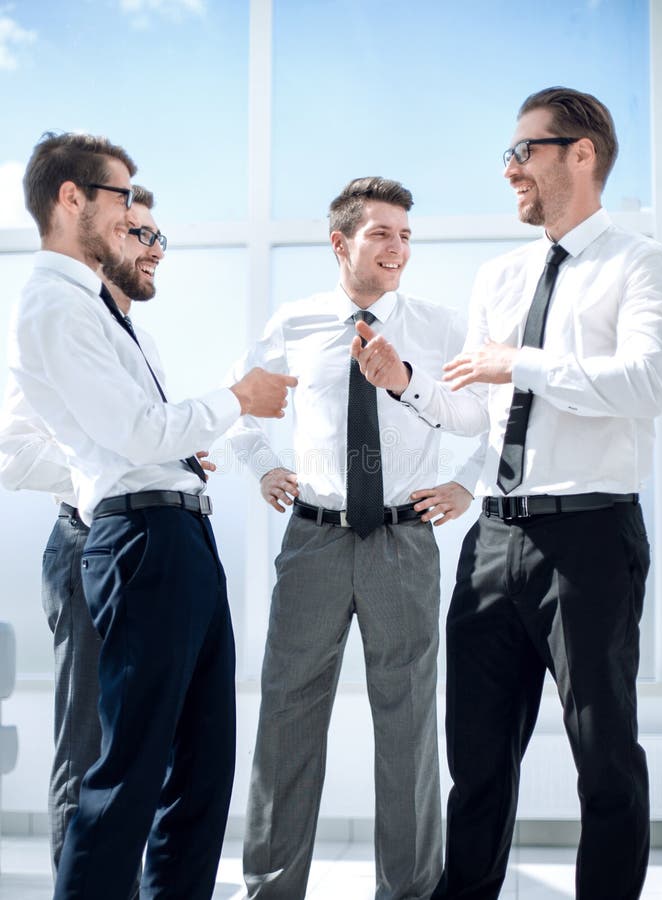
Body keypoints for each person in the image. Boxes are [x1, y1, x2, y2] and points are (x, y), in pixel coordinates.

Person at [352, 88, 662, 900]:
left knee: (604, 760)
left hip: (592, 539)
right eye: (509, 154)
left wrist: (519, 364)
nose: (509, 170)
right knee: (479, 763)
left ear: (582, 153)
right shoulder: (501, 275)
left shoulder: (641, 265)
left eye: (524, 151)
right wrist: (406, 384)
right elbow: (476, 410)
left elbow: (646, 383)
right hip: (493, 543)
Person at [8, 131, 296, 900]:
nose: (135, 216)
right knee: (126, 770)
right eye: (123, 200)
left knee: (202, 767)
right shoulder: (53, 307)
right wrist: (238, 400)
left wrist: (177, 453)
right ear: (73, 199)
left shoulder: (107, 313)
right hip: (137, 540)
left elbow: (139, 431)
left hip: (178, 530)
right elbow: (130, 435)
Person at [227, 176, 484, 900]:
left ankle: (408, 893)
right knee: (286, 721)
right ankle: (270, 890)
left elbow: (488, 414)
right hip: (313, 541)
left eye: (406, 234)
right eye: (382, 233)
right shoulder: (296, 322)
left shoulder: (437, 325)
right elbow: (241, 405)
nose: (398, 248)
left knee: (408, 730)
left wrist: (469, 482)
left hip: (404, 543)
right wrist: (265, 466)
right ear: (340, 243)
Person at [0, 186, 202, 899]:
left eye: (158, 238)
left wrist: (162, 458)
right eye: (137, 234)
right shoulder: (59, 327)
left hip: (147, 541)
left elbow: (138, 437)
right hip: (90, 542)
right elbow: (10, 451)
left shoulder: (130, 337)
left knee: (152, 748)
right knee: (92, 752)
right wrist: (108, 464)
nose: (152, 250)